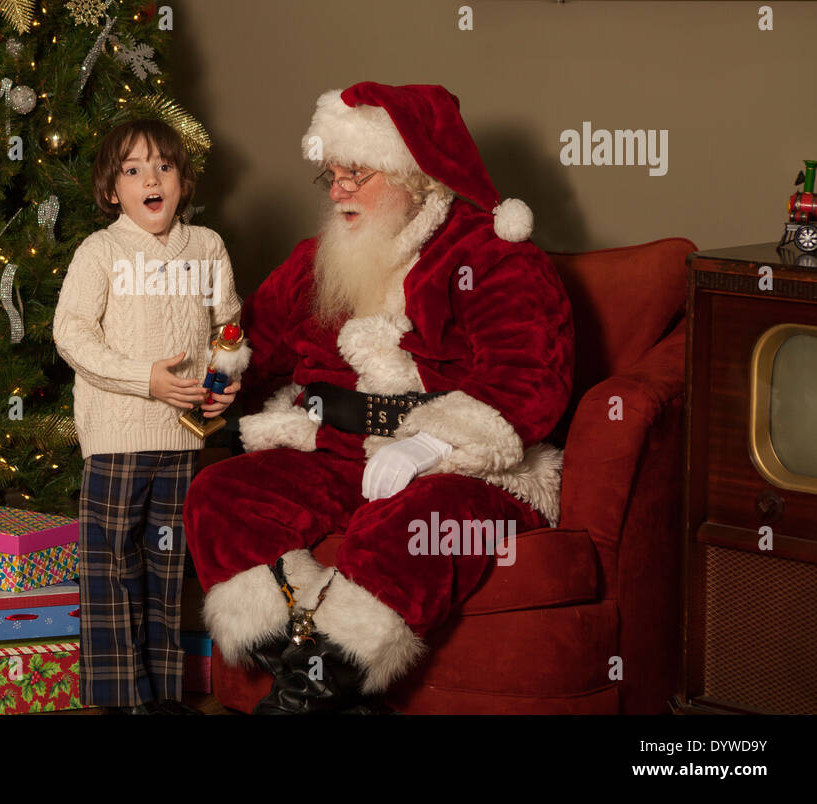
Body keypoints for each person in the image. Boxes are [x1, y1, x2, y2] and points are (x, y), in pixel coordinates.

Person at [182, 82, 575, 713]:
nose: (336, 192)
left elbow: (532, 381)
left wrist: (427, 443)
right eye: (330, 177)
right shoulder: (323, 258)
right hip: (335, 449)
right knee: (220, 495)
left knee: (411, 525)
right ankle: (313, 676)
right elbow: (254, 341)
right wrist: (214, 376)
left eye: (355, 175)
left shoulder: (493, 257)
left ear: (413, 177)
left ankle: (308, 695)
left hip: (467, 467)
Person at [53, 118, 245, 714]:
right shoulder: (101, 251)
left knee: (167, 566)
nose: (150, 178)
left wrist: (222, 382)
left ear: (182, 182)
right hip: (115, 435)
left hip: (183, 436)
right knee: (112, 566)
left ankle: (163, 696)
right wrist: (146, 379)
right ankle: (120, 697)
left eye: (162, 166)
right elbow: (71, 334)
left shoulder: (207, 247)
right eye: (133, 170)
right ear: (113, 190)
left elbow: (228, 329)